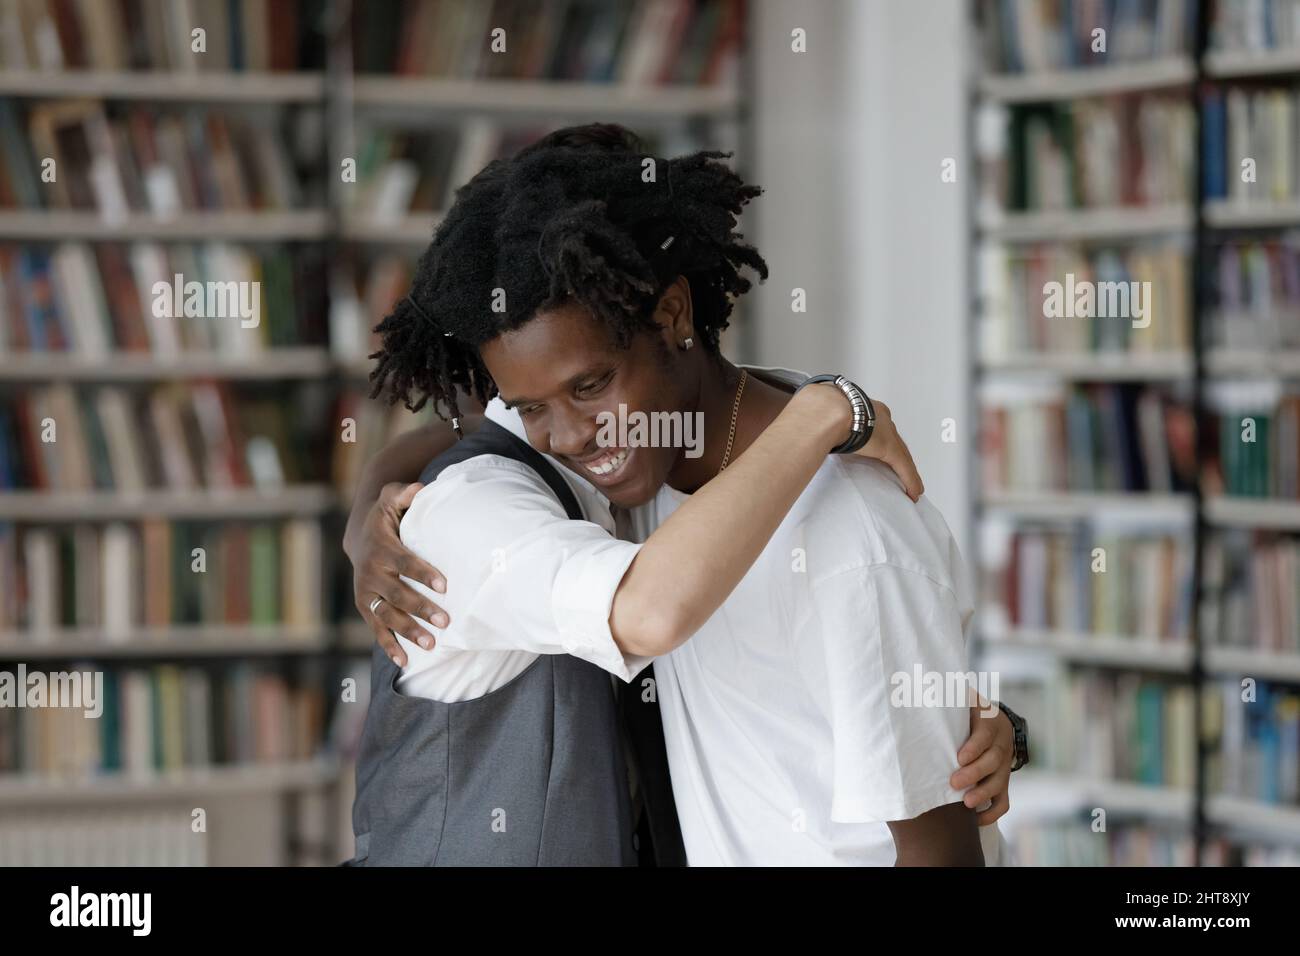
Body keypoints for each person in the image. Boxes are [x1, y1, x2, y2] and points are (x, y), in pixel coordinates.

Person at [345, 124, 1026, 866]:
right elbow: (474, 444)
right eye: (533, 407)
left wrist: (970, 722)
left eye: (592, 386)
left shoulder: (848, 533)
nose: (570, 435)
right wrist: (368, 519)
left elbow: (939, 845)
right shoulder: (636, 467)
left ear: (672, 315)